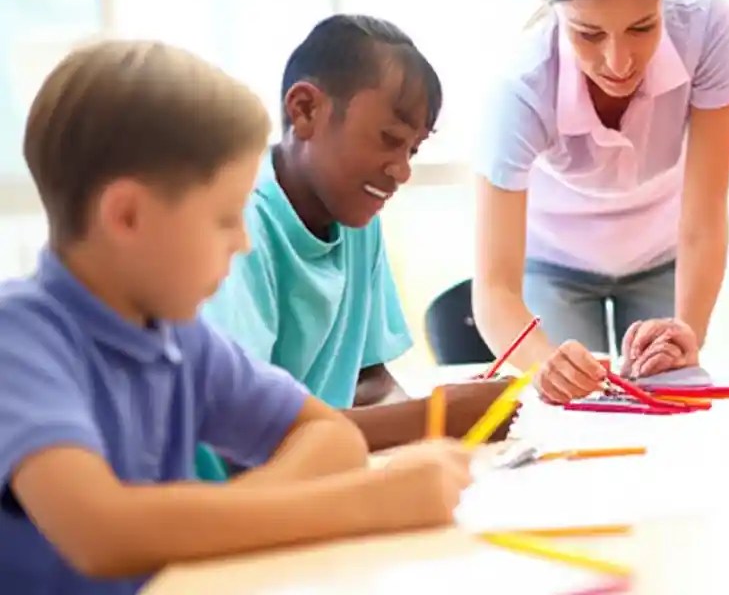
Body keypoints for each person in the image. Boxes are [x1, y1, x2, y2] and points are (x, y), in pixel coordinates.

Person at [0, 41, 472, 593]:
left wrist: (210, 519)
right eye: (225, 218)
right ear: (127, 216)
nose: (243, 239)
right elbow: (101, 532)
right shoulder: (20, 339)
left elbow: (331, 437)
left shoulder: (181, 340)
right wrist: (365, 504)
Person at [198, 15, 512, 481]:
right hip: (241, 497)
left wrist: (446, 430)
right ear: (305, 111)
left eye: (413, 150)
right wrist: (436, 417)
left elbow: (370, 382)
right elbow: (243, 435)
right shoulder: (238, 228)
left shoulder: (356, 220)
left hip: (315, 477)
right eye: (389, 139)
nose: (402, 170)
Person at [473, 0, 729, 403]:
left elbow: (706, 213)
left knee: (670, 397)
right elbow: (493, 289)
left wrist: (687, 331)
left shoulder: (708, 28)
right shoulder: (520, 88)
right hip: (554, 259)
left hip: (666, 248)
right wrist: (544, 365)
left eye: (643, 27)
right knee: (572, 407)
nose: (619, 60)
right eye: (588, 33)